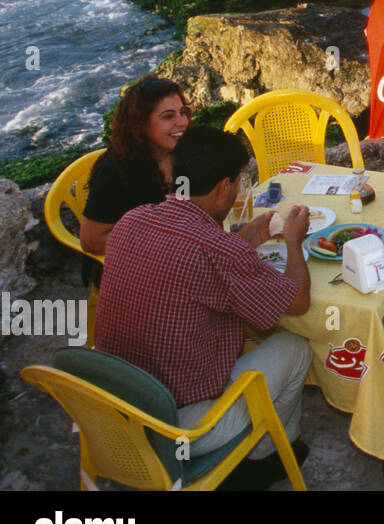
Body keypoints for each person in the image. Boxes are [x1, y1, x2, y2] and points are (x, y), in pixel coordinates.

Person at [95, 127, 313, 490]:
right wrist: (293, 242)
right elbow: (297, 302)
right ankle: (266, 456)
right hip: (178, 427)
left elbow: (186, 256)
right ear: (223, 186)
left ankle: (259, 450)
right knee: (296, 345)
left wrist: (247, 239)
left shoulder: (131, 221)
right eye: (239, 183)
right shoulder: (218, 249)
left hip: (118, 409)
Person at [79, 75, 191, 284]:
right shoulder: (115, 171)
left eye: (183, 112)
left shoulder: (181, 154)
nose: (182, 122)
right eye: (168, 116)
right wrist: (161, 240)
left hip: (177, 255)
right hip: (130, 271)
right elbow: (91, 241)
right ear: (141, 124)